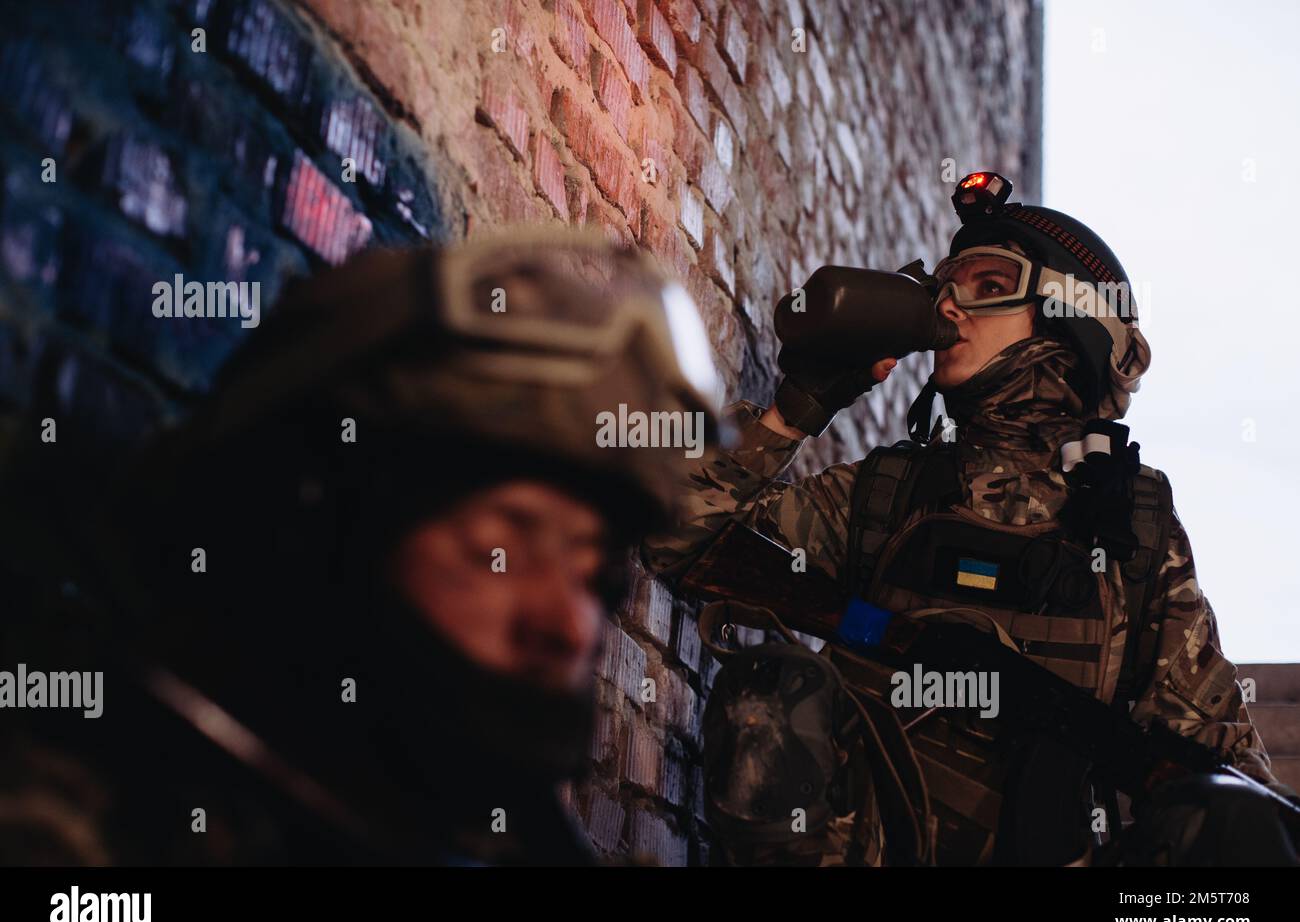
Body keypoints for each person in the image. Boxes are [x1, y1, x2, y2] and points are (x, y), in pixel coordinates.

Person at [0, 229, 720, 865]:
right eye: (499, 548)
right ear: (308, 523)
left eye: (595, 575)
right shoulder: (68, 819)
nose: (569, 627)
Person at [643, 171, 1298, 866]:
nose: (950, 305)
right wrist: (799, 406)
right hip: (866, 846)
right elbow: (679, 538)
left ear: (1068, 314)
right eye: (947, 285)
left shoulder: (1132, 530)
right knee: (767, 690)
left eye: (989, 287)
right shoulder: (891, 491)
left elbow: (1231, 783)